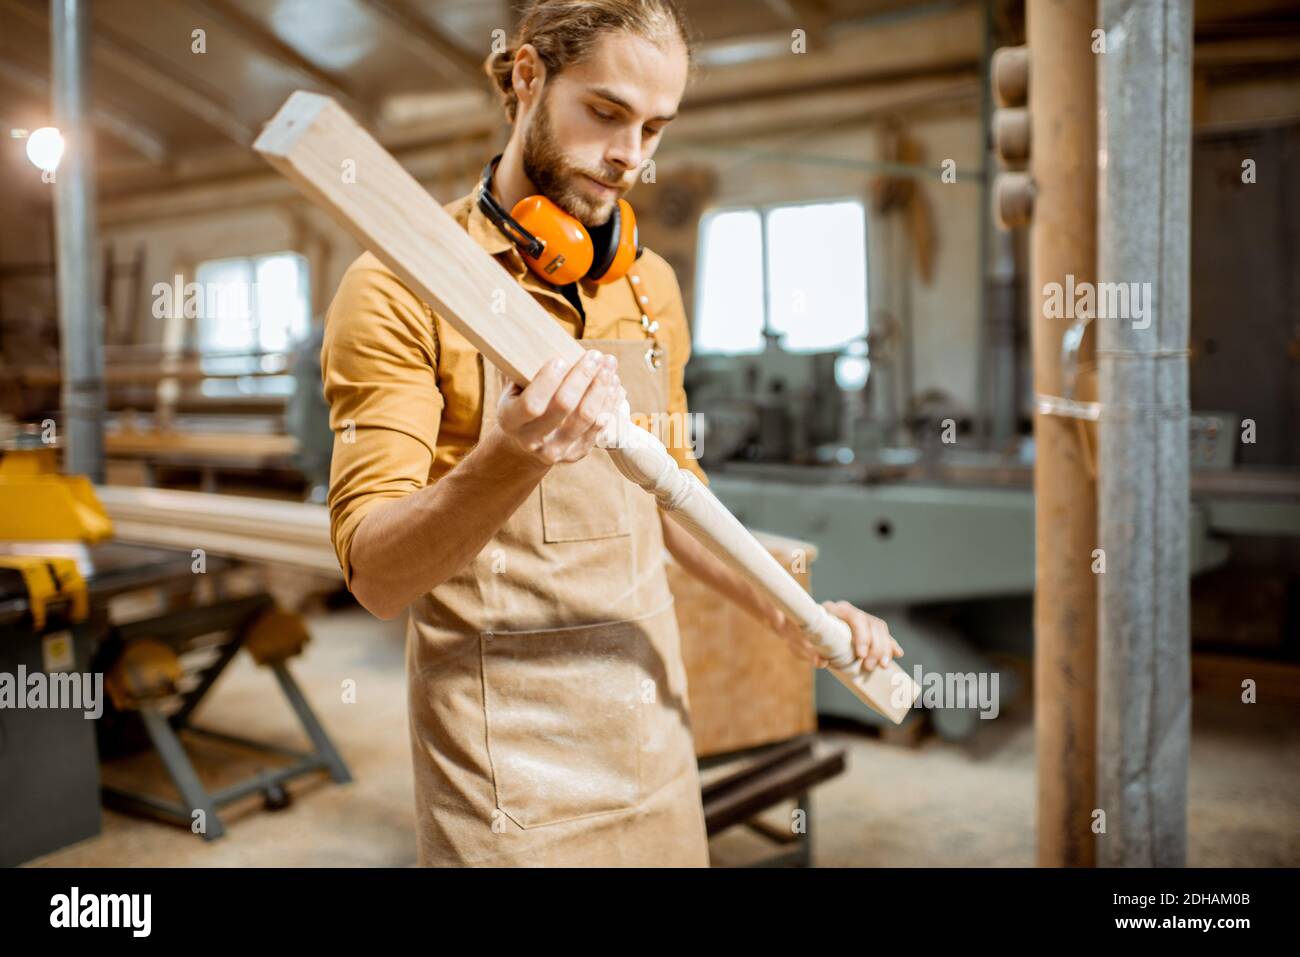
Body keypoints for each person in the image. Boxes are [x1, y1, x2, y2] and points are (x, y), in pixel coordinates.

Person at [322, 0, 902, 866]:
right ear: (527, 79)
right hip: (503, 768)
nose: (633, 154)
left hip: (652, 734)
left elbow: (675, 498)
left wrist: (797, 617)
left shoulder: (649, 287)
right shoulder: (402, 287)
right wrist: (512, 455)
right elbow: (375, 572)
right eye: (605, 112)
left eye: (656, 126)